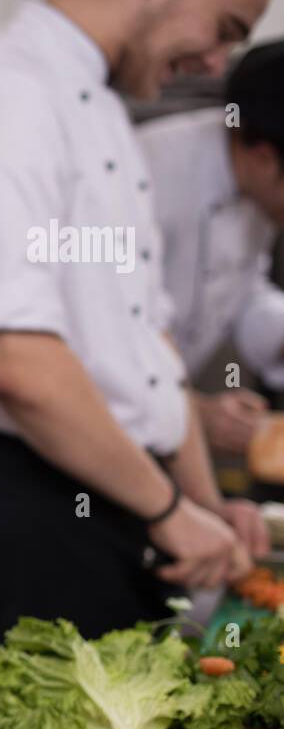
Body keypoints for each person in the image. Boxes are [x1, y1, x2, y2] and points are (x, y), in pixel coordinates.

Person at [0, 0, 274, 684]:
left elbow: (149, 344)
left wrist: (207, 503)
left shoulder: (98, 102)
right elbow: (20, 361)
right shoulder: (2, 93)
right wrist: (169, 506)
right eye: (224, 27)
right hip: (26, 517)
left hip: (114, 499)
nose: (218, 60)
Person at [140, 40, 284, 459]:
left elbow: (241, 290)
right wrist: (194, 412)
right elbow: (102, 333)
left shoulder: (258, 185)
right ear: (264, 158)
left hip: (161, 432)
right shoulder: (148, 171)